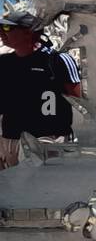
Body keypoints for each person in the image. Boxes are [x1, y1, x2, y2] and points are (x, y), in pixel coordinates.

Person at [0, 13, 81, 168]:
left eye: (7, 27)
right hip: (12, 140)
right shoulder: (4, 63)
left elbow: (78, 102)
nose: (2, 33)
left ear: (29, 31)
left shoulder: (58, 61)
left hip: (50, 140)